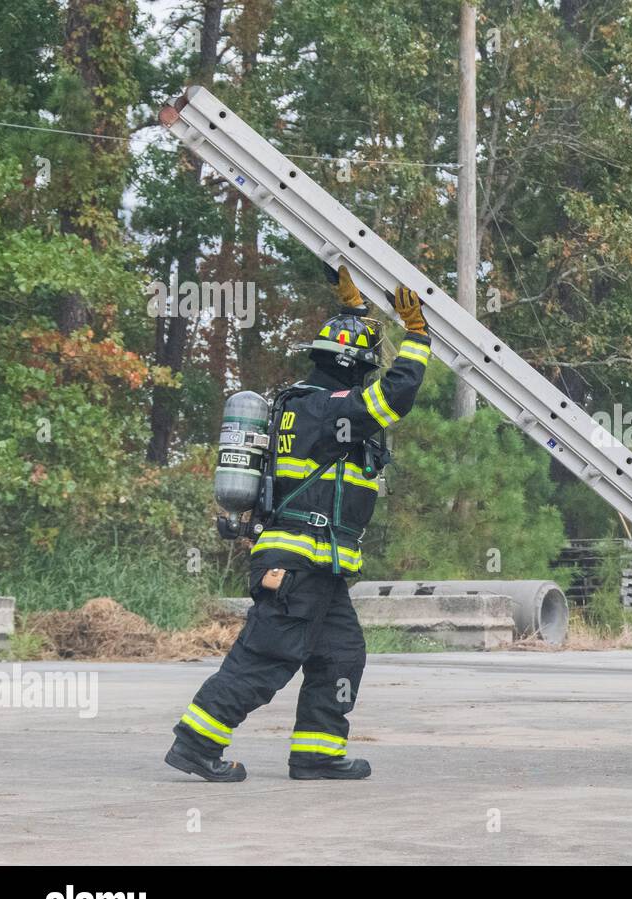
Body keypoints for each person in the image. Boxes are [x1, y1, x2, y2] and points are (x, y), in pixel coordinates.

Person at [164, 266, 432, 782]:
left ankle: (317, 752)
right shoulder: (327, 409)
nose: (366, 378)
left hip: (320, 566)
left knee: (340, 657)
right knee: (268, 656)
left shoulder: (305, 401)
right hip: (299, 561)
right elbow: (392, 398)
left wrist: (356, 313)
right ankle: (197, 742)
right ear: (353, 368)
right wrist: (417, 338)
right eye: (364, 369)